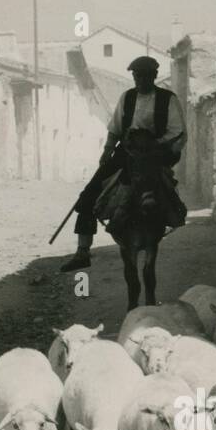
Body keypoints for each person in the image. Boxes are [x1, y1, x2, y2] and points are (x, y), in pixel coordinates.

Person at [60, 56, 187, 271]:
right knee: (90, 192)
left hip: (154, 153)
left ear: (154, 76)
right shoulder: (127, 98)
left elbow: (177, 132)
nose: (141, 80)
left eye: (146, 76)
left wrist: (154, 146)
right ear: (133, 77)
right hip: (126, 152)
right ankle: (83, 251)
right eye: (137, 76)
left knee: (156, 187)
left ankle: (169, 217)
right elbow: (115, 128)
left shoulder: (168, 99)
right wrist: (107, 152)